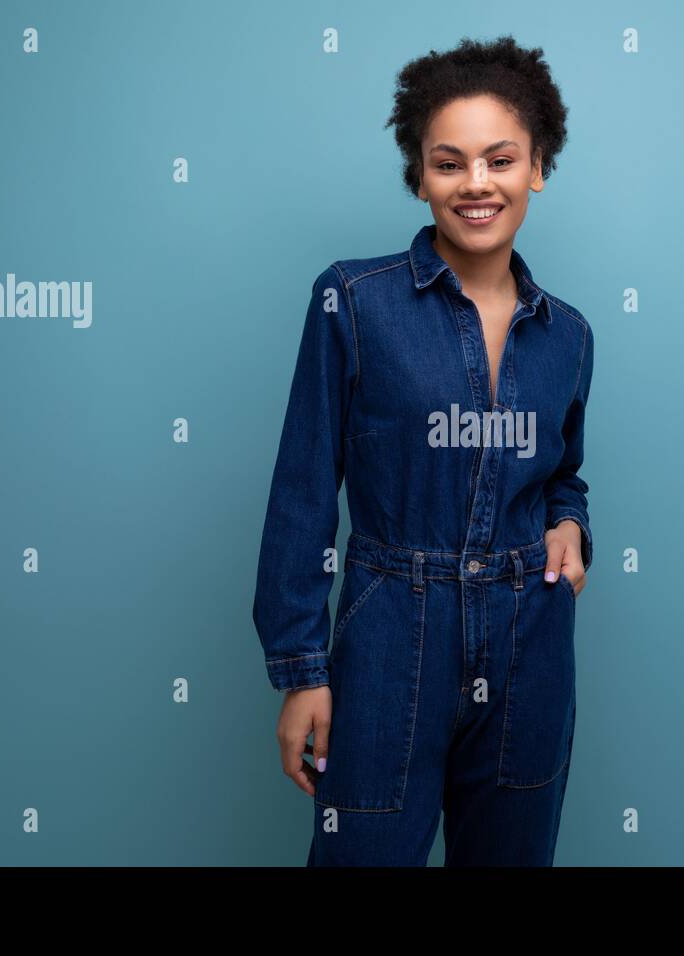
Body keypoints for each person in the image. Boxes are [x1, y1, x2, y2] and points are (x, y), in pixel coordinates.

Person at [251, 35, 594, 866]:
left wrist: (570, 527)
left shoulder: (569, 335)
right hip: (390, 632)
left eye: (500, 159)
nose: (477, 183)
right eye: (450, 163)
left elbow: (564, 476)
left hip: (529, 645)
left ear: (537, 167)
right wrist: (301, 668)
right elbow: (304, 487)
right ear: (420, 178)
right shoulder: (352, 301)